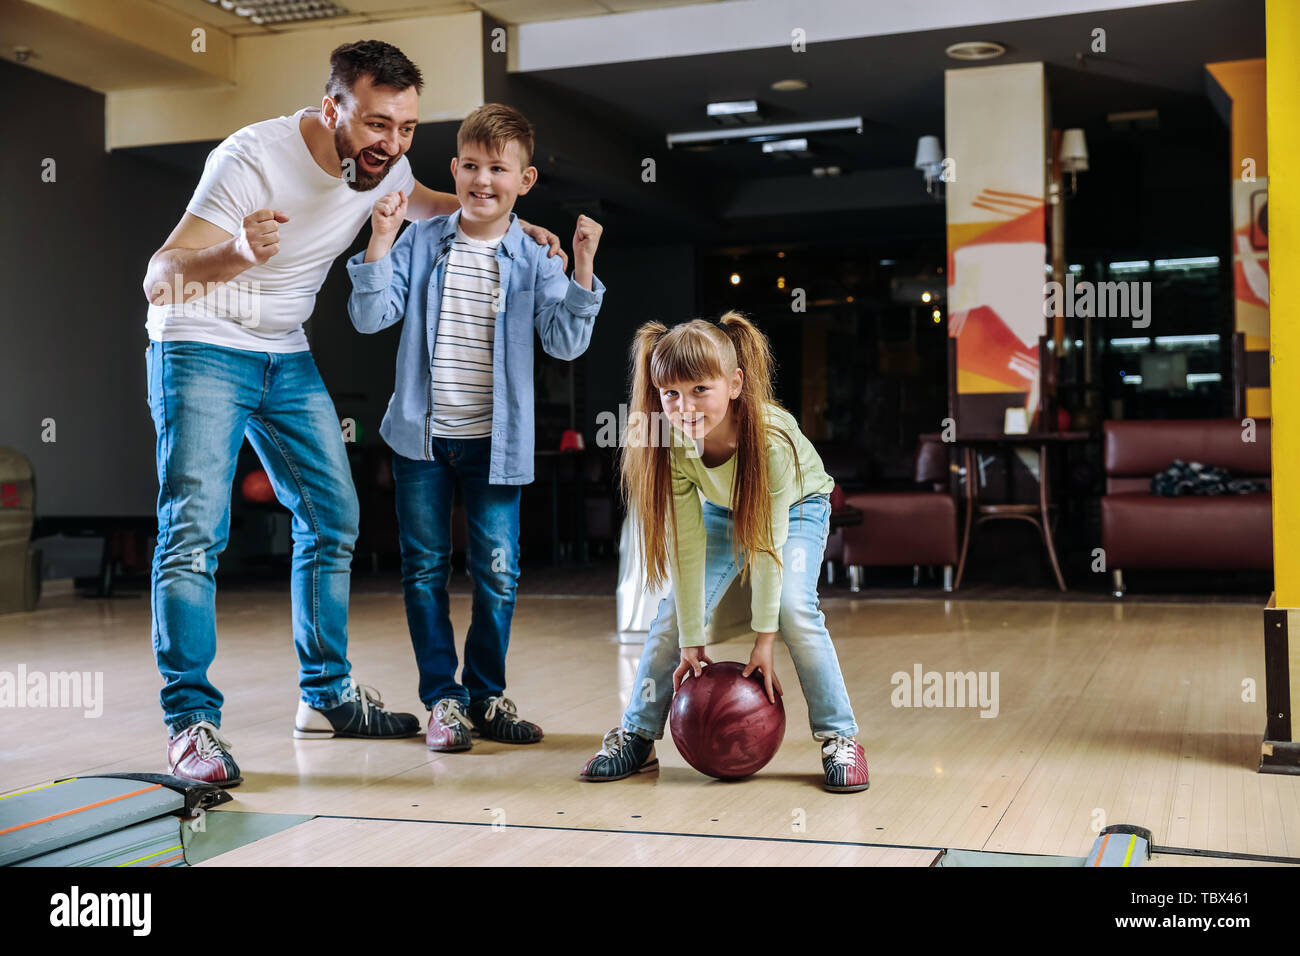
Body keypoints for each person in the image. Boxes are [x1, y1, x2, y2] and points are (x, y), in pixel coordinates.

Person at [140, 41, 567, 787]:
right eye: (377, 126)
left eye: (405, 128)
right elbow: (160, 280)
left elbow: (438, 204)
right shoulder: (250, 158)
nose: (393, 145)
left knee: (334, 517)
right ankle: (191, 724)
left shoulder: (387, 167)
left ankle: (326, 695)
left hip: (284, 350)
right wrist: (238, 251)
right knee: (195, 529)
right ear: (332, 107)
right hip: (201, 341)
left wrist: (517, 226)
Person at [347, 103, 605, 752]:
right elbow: (371, 318)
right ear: (454, 169)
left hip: (498, 444)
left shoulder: (536, 256)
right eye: (471, 166)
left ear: (526, 180)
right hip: (421, 443)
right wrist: (379, 242)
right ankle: (444, 701)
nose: (482, 180)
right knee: (425, 571)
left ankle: (486, 695)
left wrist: (580, 269)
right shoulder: (421, 241)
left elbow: (566, 341)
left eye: (499, 169)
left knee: (498, 572)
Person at [580, 312, 869, 792]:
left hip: (795, 509)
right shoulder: (671, 440)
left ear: (735, 384)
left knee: (794, 608)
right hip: (723, 511)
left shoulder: (770, 436)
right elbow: (687, 547)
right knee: (671, 613)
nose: (684, 406)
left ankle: (841, 738)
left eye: (699, 390)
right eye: (670, 393)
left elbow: (771, 545)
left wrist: (763, 640)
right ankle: (637, 735)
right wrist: (693, 640)